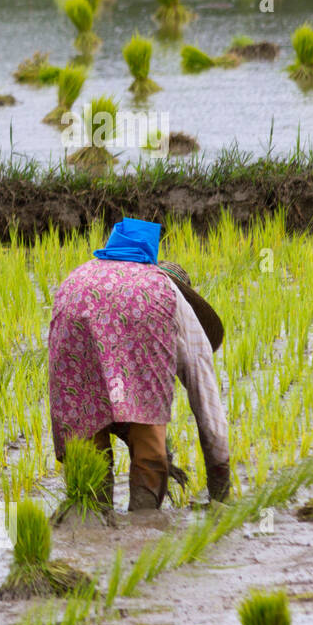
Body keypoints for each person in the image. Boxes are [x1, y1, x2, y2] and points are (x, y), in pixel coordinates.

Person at [49, 217, 230, 511]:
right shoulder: (164, 292)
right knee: (149, 456)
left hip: (72, 325)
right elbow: (205, 398)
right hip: (135, 385)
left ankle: (89, 532)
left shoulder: (76, 279)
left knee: (88, 463)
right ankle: (143, 529)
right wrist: (221, 488)